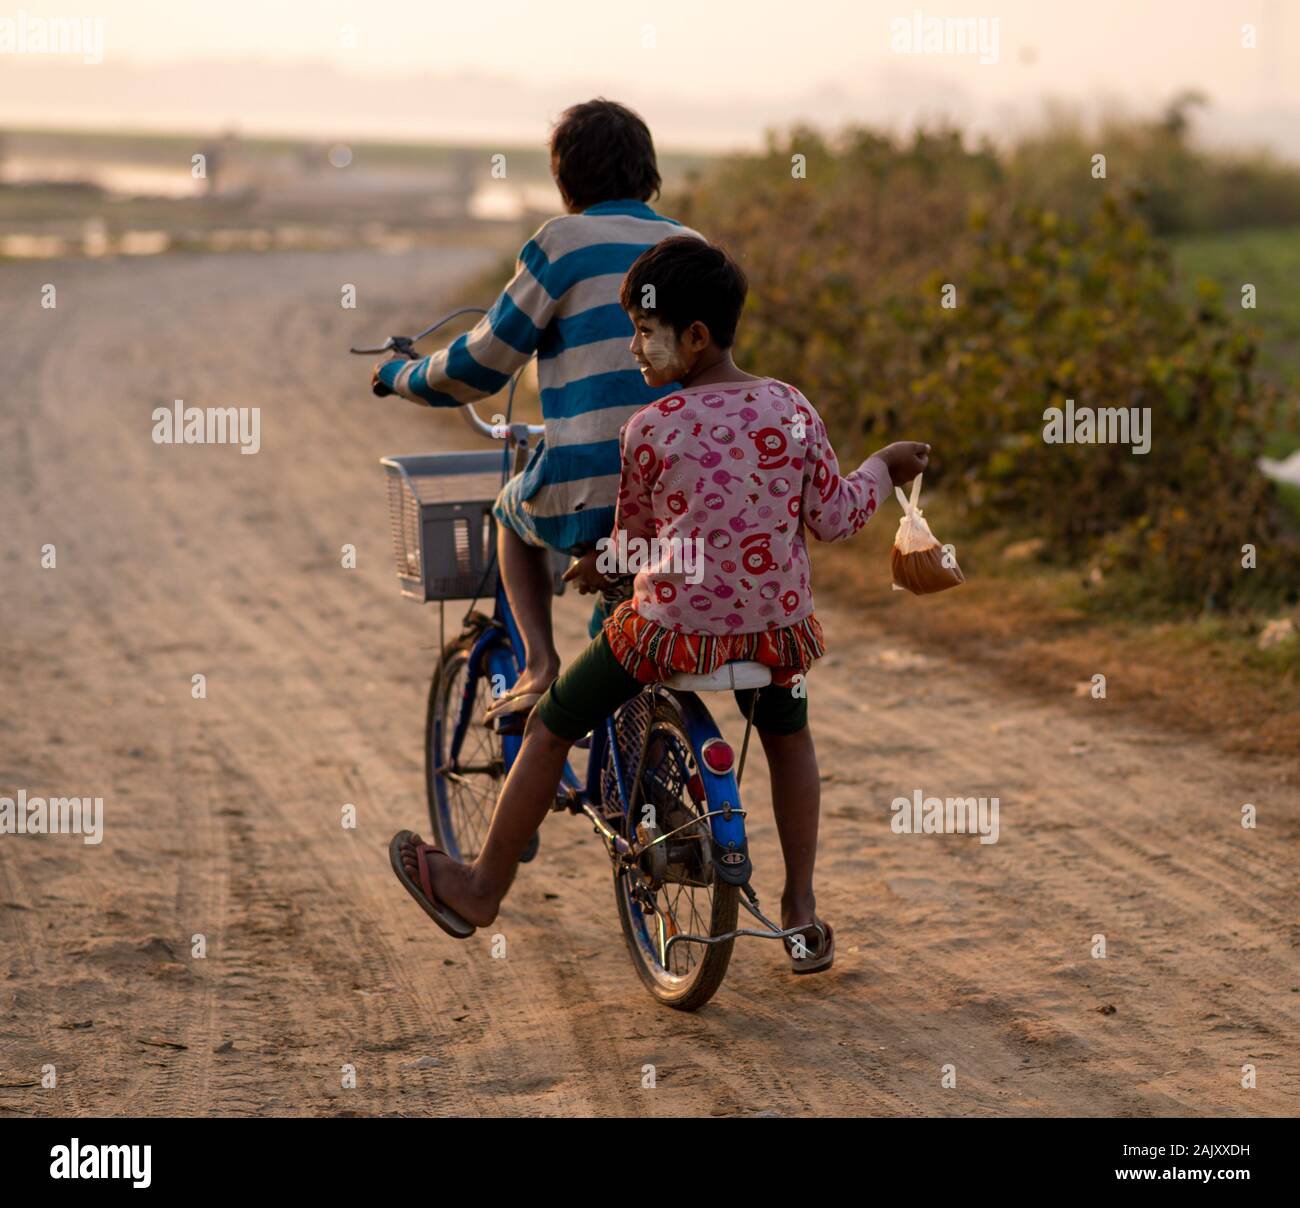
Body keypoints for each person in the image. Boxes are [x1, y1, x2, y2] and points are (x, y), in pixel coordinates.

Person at [390, 237, 929, 974]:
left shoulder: (651, 428)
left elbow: (635, 547)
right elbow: (834, 519)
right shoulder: (792, 408)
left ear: (696, 337)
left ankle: (482, 889)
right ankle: (800, 913)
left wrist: (593, 563)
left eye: (645, 333)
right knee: (789, 740)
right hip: (776, 641)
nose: (635, 350)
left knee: (551, 725)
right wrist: (882, 465)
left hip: (672, 638)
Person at [374, 99, 699, 723]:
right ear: (649, 174)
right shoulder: (687, 243)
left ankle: (539, 664)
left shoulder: (561, 242)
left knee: (508, 514)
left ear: (565, 179)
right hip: (687, 493)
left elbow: (481, 363)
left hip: (598, 486)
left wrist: (401, 376)